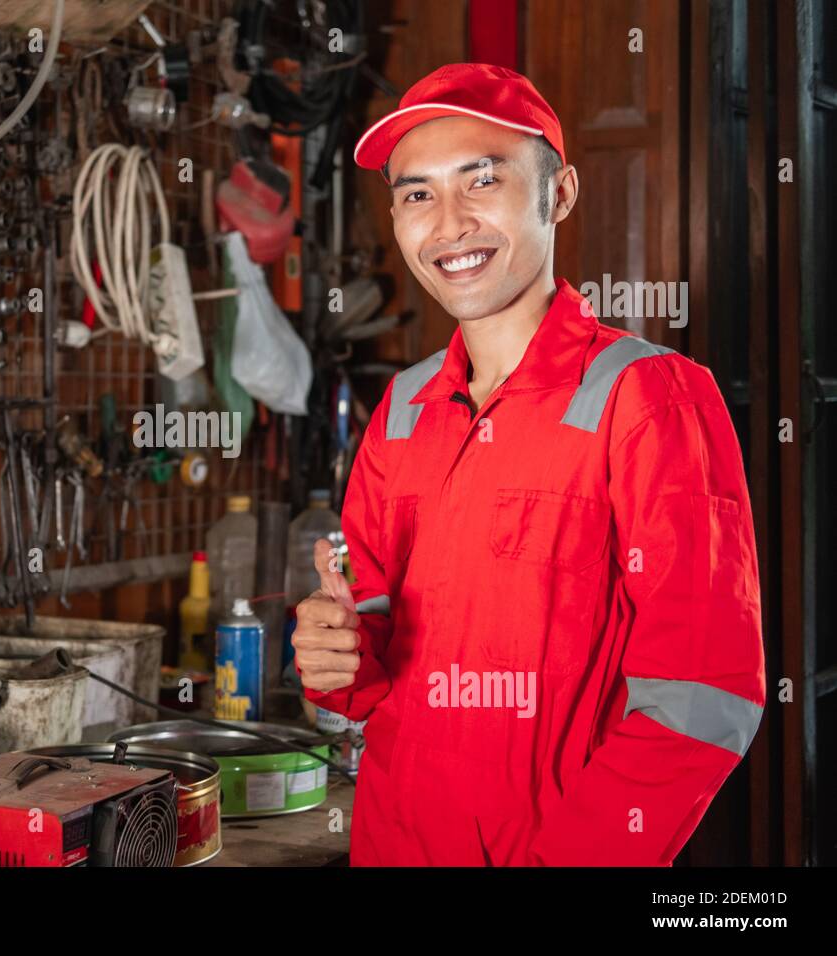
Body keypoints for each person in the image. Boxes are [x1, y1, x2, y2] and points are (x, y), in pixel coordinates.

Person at [292, 63, 766, 866]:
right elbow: (361, 694)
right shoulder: (401, 413)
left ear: (561, 193)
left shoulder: (649, 398)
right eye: (417, 195)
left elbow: (702, 700)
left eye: (482, 181)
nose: (448, 225)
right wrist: (332, 659)